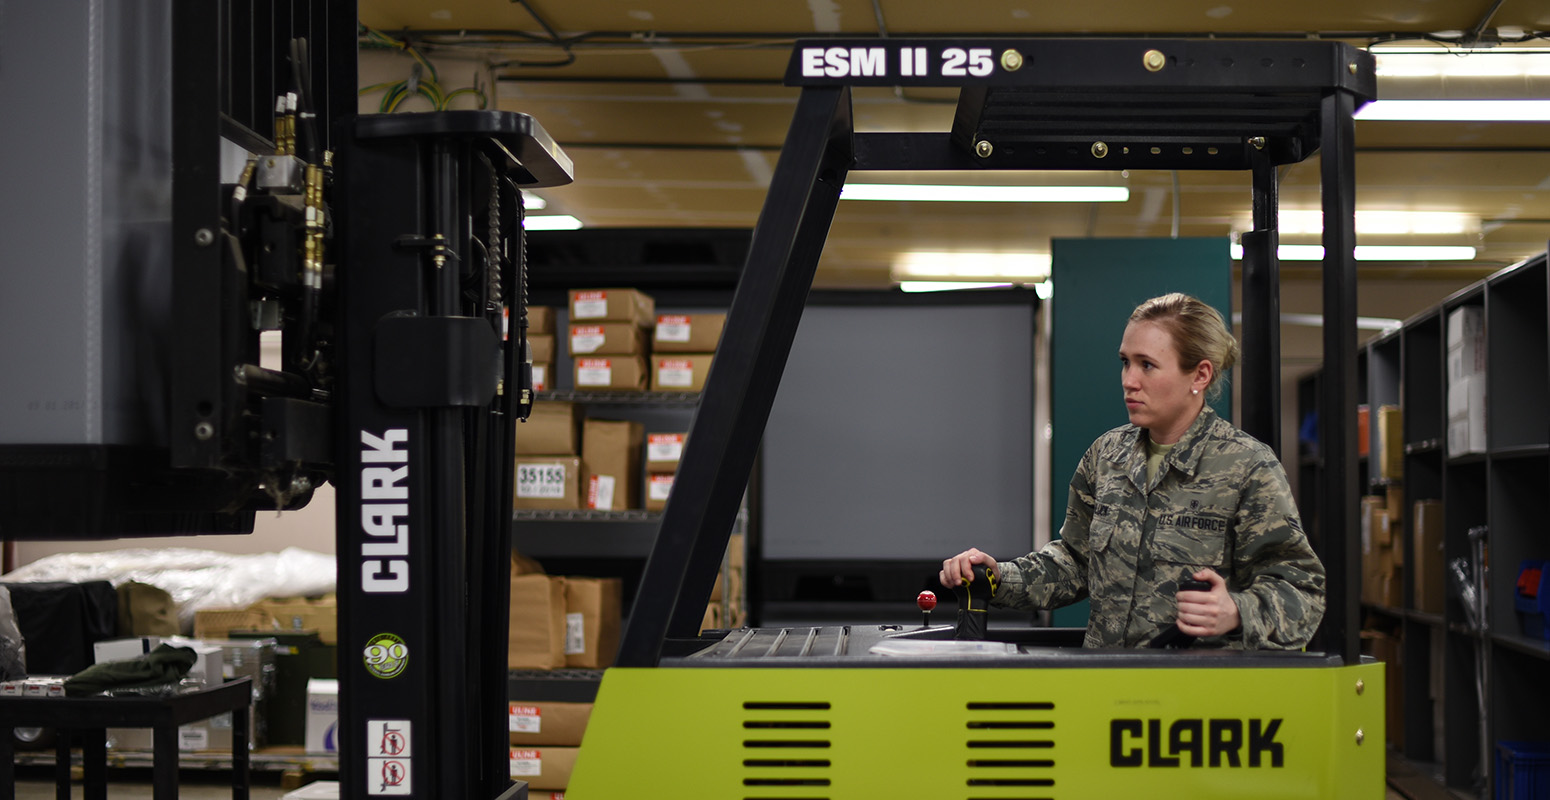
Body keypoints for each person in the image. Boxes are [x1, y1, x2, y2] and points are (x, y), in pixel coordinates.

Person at [940, 293, 1325, 649]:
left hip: (1197, 701)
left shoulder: (1247, 466)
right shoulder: (1107, 455)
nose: (1129, 380)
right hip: (1107, 689)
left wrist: (1236, 611)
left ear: (1200, 375)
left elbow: (1303, 593)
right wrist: (996, 577)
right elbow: (1076, 563)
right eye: (1125, 362)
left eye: (1147, 365)